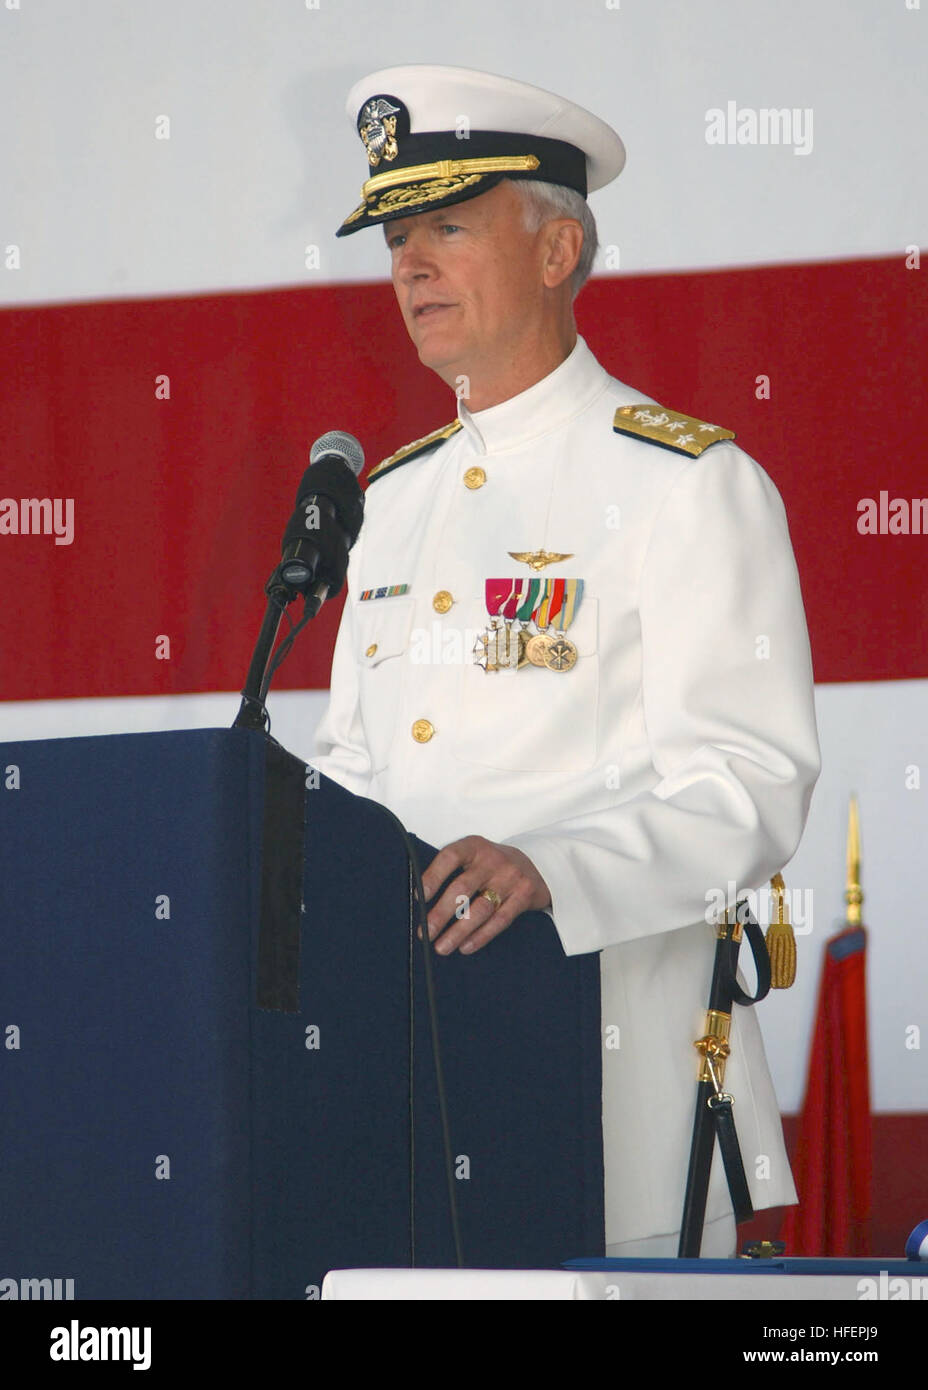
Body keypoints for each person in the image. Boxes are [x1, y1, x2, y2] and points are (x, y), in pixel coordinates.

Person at [309, 64, 821, 1257]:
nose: (409, 266)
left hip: (620, 1078)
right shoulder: (385, 502)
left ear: (557, 251)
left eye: (445, 224)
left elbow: (748, 782)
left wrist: (553, 866)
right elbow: (348, 771)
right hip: (410, 1073)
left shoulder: (686, 485)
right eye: (395, 238)